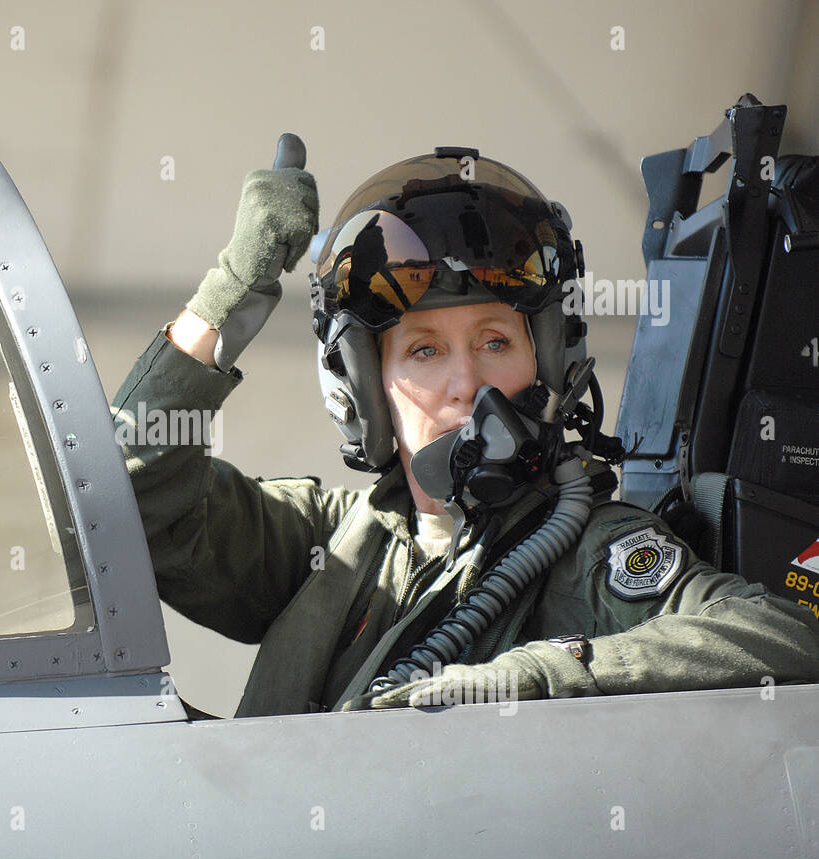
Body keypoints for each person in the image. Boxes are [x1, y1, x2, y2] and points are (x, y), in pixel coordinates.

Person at [110, 138, 819, 718]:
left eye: (495, 341)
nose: (466, 381)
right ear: (364, 388)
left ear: (546, 361)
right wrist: (227, 295)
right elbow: (125, 507)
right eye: (424, 350)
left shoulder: (587, 551)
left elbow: (784, 636)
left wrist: (547, 671)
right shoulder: (326, 544)